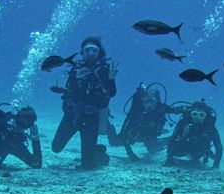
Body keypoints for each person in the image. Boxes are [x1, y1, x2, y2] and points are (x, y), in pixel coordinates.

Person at [51, 37, 118, 170]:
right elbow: (68, 92)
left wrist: (110, 79)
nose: (91, 53)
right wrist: (68, 110)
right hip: (73, 115)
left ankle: (97, 153)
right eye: (88, 50)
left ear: (99, 52)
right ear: (82, 52)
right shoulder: (75, 68)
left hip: (91, 118)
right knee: (56, 147)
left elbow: (111, 93)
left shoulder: (105, 70)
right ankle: (94, 150)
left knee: (88, 165)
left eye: (94, 50)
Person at [115, 84, 187, 161]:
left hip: (150, 136)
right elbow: (123, 134)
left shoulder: (160, 108)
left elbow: (175, 110)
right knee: (115, 142)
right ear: (142, 102)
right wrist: (130, 153)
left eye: (152, 101)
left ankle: (168, 139)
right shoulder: (135, 112)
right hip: (135, 137)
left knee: (153, 149)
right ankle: (109, 125)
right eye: (146, 101)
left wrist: (189, 109)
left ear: (156, 101)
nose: (150, 105)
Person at [165, 101, 223, 169]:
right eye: (194, 114)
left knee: (197, 155)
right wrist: (169, 159)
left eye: (201, 115)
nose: (197, 118)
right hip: (183, 147)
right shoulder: (183, 123)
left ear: (206, 116)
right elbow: (172, 139)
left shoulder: (210, 128)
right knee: (176, 149)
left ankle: (207, 154)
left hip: (200, 150)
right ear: (190, 114)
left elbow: (218, 146)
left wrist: (216, 165)